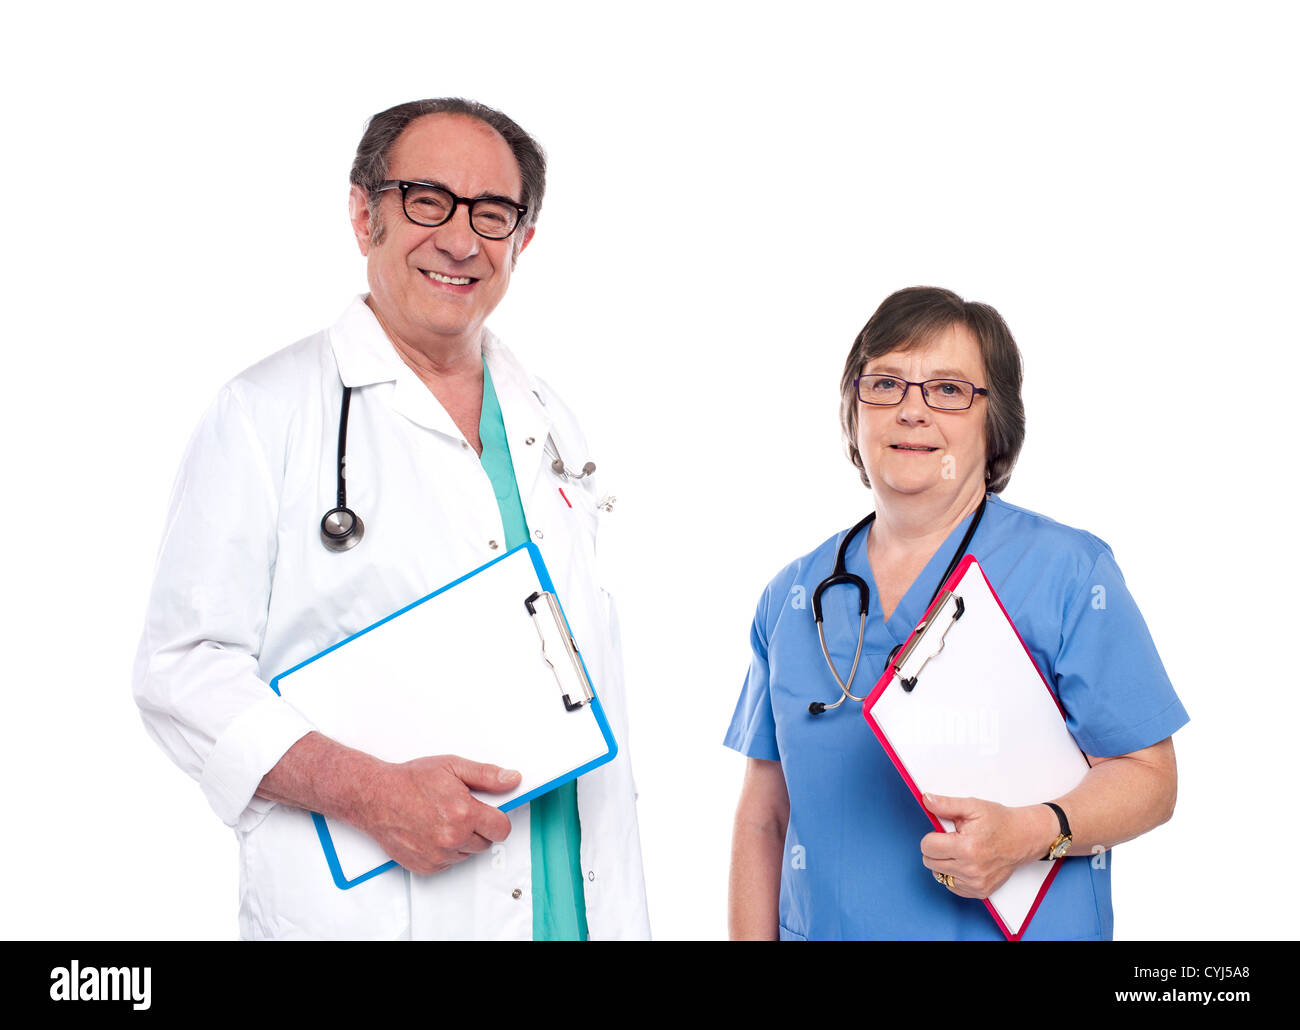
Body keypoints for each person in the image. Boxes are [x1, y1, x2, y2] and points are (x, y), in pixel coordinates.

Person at [133, 98, 650, 940]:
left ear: (523, 241)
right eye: (426, 199)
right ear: (362, 211)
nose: (459, 238)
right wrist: (368, 792)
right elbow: (180, 670)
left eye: (493, 213)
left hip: (579, 902)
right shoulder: (264, 413)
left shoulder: (549, 420)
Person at [726, 286, 1187, 940]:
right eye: (885, 384)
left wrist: (1031, 833)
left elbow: (1151, 779)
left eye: (947, 390)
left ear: (994, 424)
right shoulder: (793, 597)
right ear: (852, 411)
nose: (912, 412)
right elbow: (763, 818)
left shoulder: (1068, 573)